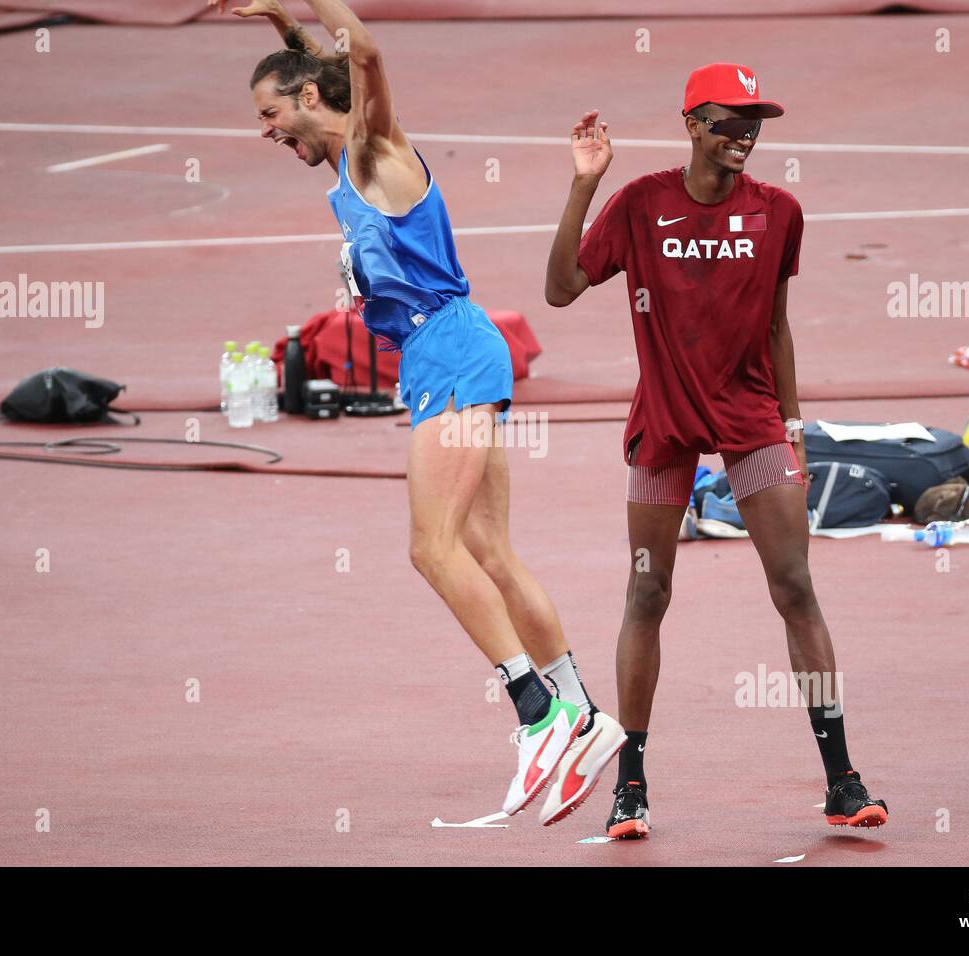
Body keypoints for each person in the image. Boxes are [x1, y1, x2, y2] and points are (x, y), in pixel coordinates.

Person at [212, 0, 624, 824]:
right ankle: (585, 714)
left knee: (430, 550)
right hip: (453, 353)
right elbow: (320, 70)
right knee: (488, 552)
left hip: (450, 354)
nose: (264, 131)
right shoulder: (343, 160)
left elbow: (357, 49)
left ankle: (537, 712)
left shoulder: (374, 150)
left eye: (270, 114)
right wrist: (278, 24)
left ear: (310, 101)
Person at [544, 62, 888, 839]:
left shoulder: (779, 212)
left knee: (796, 585)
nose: (746, 135)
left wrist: (795, 425)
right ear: (692, 124)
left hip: (751, 417)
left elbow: (776, 323)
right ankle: (630, 782)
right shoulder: (641, 204)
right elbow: (561, 287)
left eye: (755, 122)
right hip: (664, 421)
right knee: (648, 593)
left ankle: (841, 778)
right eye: (730, 121)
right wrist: (584, 184)